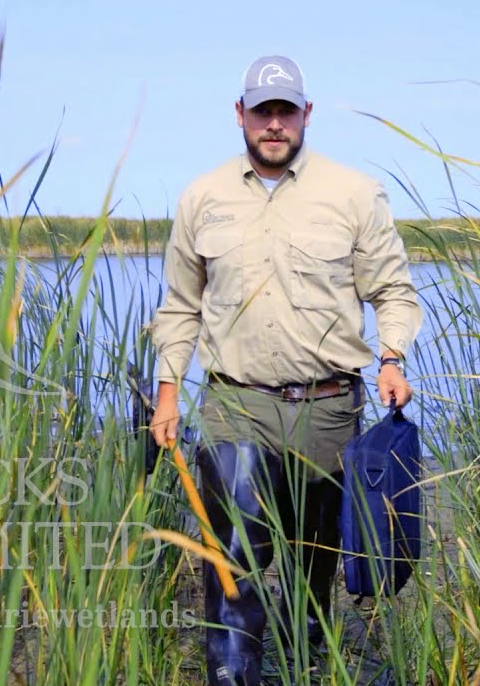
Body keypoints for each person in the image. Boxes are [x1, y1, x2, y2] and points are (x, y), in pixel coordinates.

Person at [149, 54, 422, 685]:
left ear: (306, 114)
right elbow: (179, 307)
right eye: (263, 111)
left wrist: (391, 356)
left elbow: (394, 292)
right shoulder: (203, 197)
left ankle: (304, 662)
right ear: (240, 113)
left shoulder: (354, 194)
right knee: (233, 561)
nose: (275, 124)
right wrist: (168, 394)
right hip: (235, 404)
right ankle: (231, 674)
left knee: (312, 569)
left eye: (286, 111)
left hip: (330, 409)